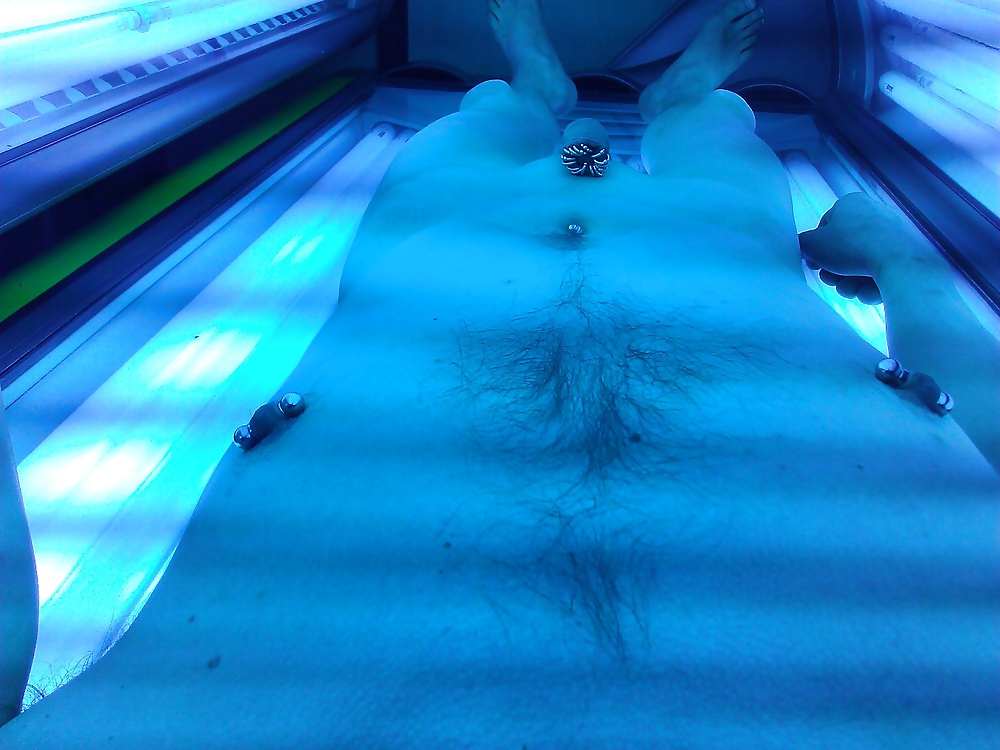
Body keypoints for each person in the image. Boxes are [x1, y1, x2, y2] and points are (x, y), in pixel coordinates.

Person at [2, 1, 997, 747]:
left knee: (485, 118)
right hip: (718, 250)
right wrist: (901, 263)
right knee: (717, 130)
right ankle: (675, 98)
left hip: (439, 252)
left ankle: (535, 89)